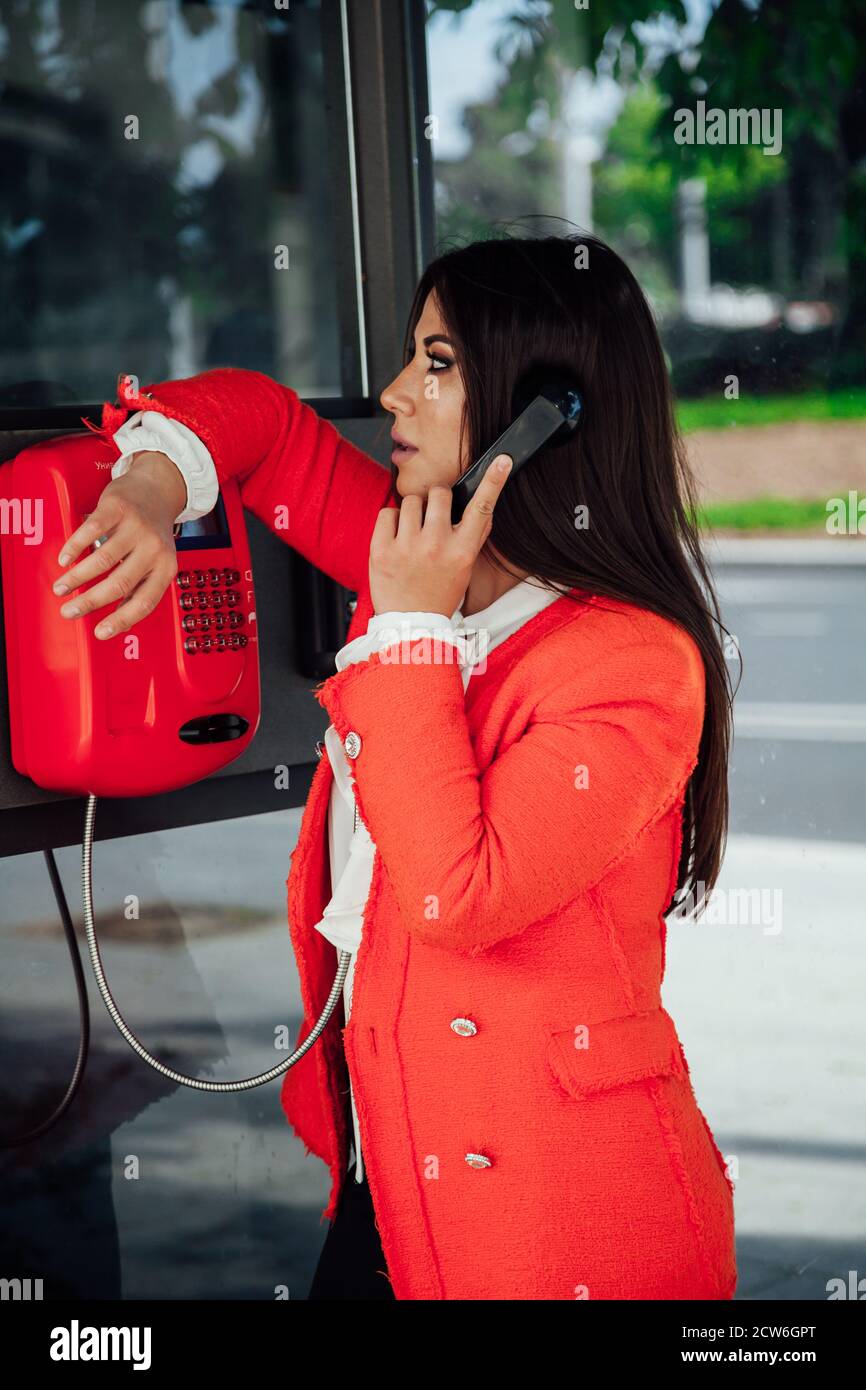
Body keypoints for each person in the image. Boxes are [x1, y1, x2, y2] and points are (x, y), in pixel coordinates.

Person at [51, 231, 738, 1301]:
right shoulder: (413, 562)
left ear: (544, 409)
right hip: (392, 1188)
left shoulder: (634, 663)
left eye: (435, 362)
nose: (389, 396)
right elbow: (264, 427)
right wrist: (147, 485)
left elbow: (454, 894)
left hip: (562, 1229)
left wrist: (410, 632)